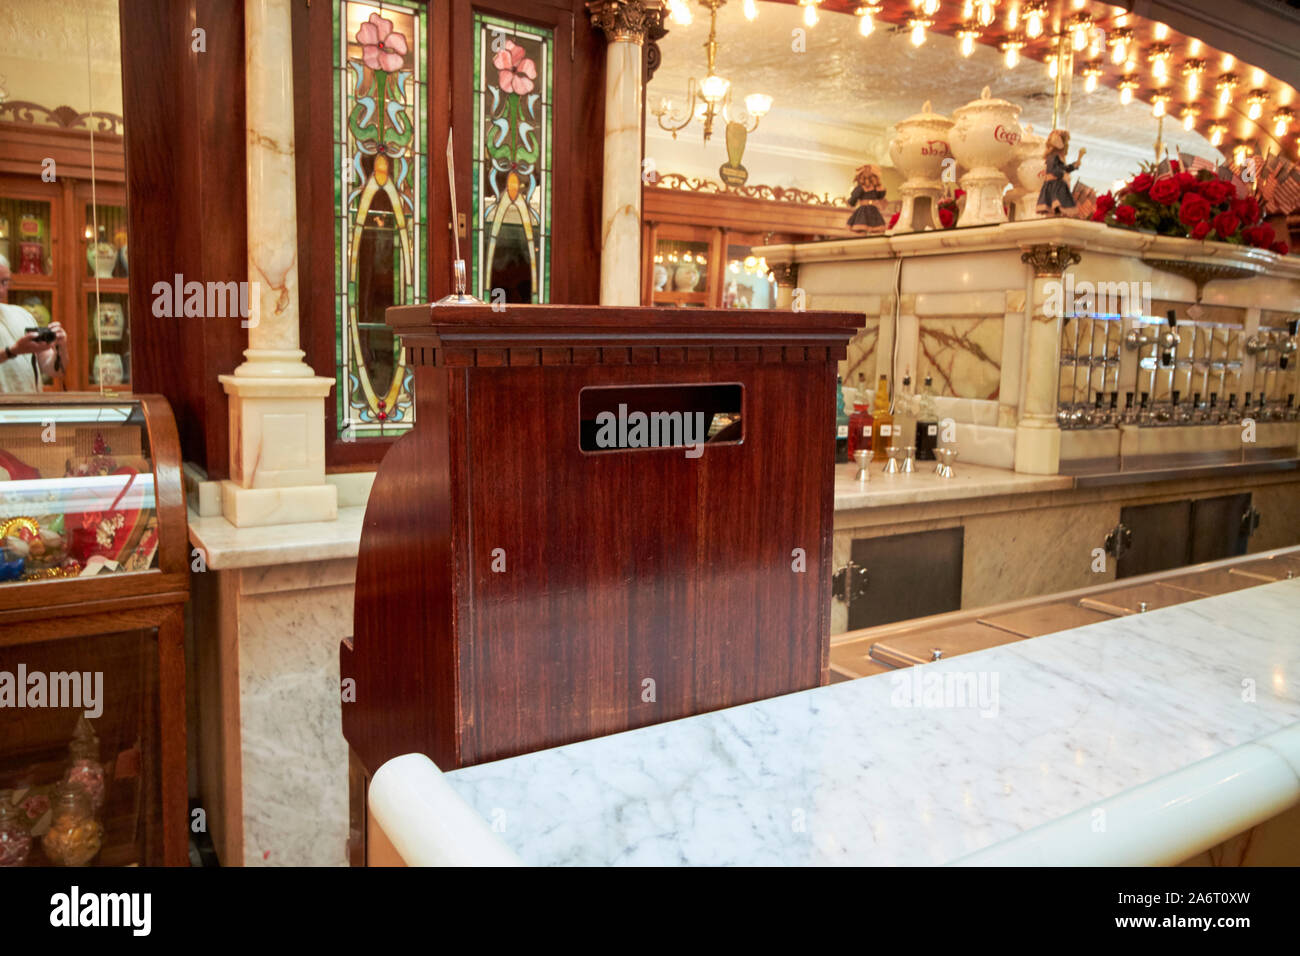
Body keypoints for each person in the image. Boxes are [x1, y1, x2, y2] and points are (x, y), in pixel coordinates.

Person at [0, 254, 68, 393]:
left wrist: (60, 348)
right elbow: (15, 350)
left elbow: (54, 371)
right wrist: (13, 351)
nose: (1, 290)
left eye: (4, 282)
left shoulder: (22, 315)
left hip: (29, 409)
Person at [1036, 129, 1087, 217]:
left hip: (1058, 185)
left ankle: (1058, 214)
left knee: (1059, 203)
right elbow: (1053, 170)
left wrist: (1074, 165)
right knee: (1057, 202)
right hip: (1055, 185)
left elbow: (1064, 168)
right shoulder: (1053, 157)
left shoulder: (1058, 157)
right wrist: (1062, 174)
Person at [847, 164, 888, 232]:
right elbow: (854, 198)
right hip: (864, 211)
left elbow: (880, 196)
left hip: (873, 211)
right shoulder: (860, 188)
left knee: (873, 229)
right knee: (863, 227)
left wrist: (851, 202)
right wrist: (851, 202)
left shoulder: (875, 188)